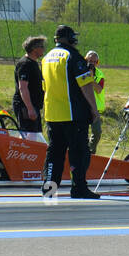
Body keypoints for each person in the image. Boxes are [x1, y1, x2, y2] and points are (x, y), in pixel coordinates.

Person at [41, 24, 102, 200]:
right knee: (79, 152)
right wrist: (93, 109)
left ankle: (49, 188)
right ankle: (79, 188)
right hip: (73, 114)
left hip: (52, 114)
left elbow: (45, 87)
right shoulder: (73, 56)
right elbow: (86, 85)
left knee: (54, 152)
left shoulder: (46, 58)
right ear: (69, 38)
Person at [13, 36, 47, 133]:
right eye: (42, 46)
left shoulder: (34, 63)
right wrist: (30, 108)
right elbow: (23, 88)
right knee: (29, 136)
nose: (43, 49)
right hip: (25, 107)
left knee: (36, 135)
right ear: (34, 49)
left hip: (33, 106)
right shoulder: (25, 64)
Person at [85, 50, 106, 153]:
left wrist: (91, 79)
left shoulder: (100, 75)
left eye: (94, 61)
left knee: (97, 132)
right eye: (89, 61)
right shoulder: (80, 71)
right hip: (83, 107)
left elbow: (99, 90)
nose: (91, 63)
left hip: (95, 108)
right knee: (81, 132)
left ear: (97, 63)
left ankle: (91, 152)